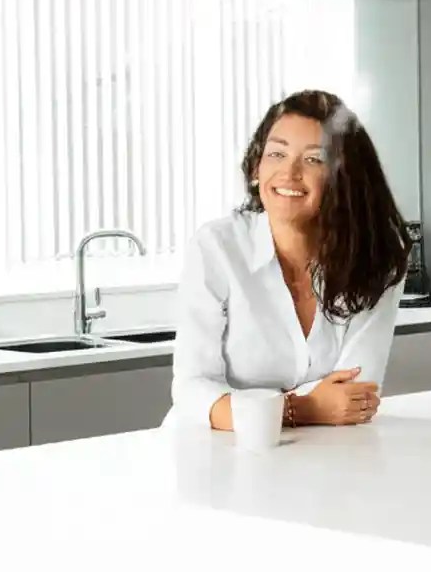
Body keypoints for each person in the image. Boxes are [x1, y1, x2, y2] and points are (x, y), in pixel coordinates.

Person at [167, 90, 411, 430]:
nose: (289, 172)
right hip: (209, 455)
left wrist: (244, 406)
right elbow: (193, 389)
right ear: (256, 167)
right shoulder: (216, 248)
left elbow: (354, 395)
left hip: (317, 459)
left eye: (314, 159)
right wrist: (305, 408)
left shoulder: (376, 258)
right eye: (276, 154)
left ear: (344, 178)